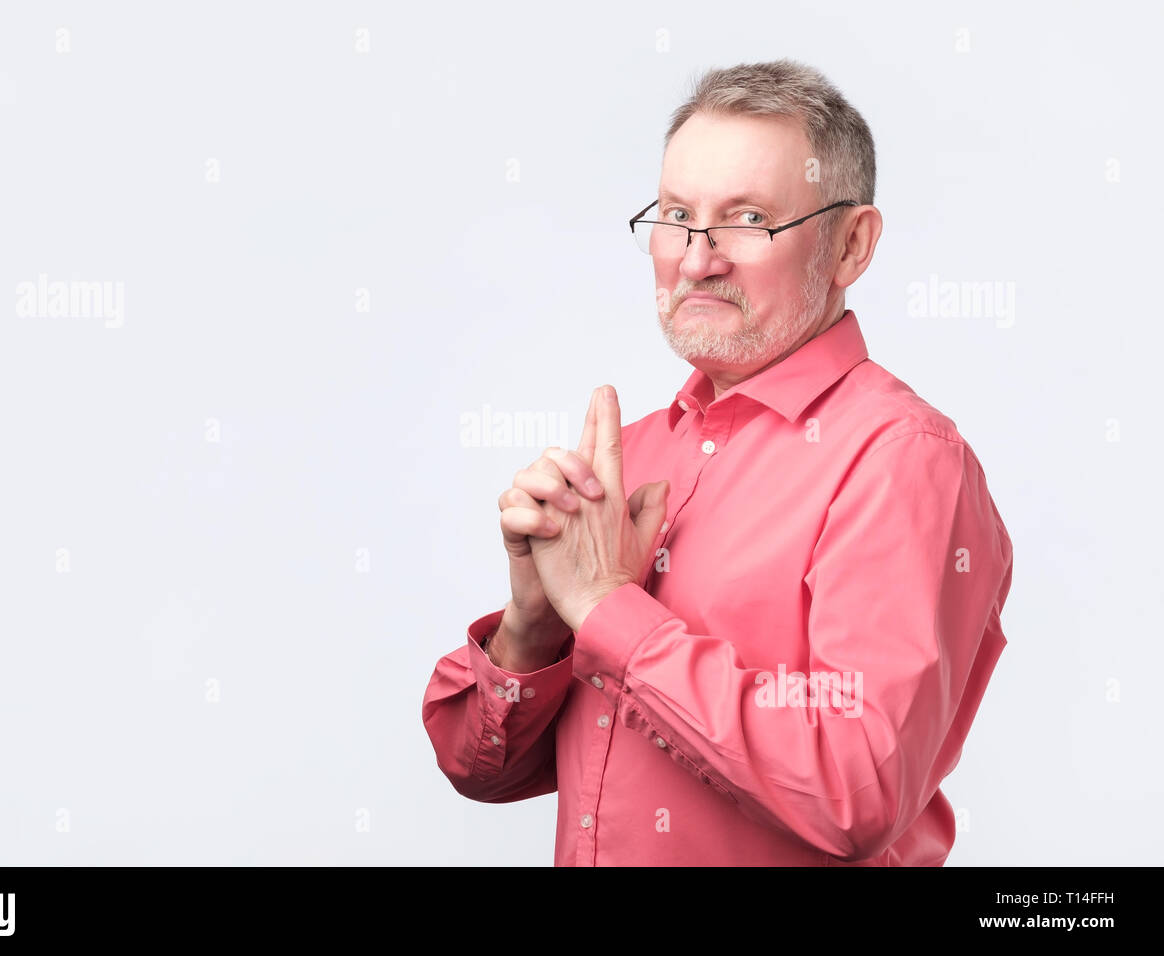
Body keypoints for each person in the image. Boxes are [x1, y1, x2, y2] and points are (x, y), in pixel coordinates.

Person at [421, 59, 1013, 866]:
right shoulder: (629, 455)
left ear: (851, 244)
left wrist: (610, 611)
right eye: (675, 215)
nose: (697, 259)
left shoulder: (900, 462)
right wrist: (535, 630)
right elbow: (477, 771)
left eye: (747, 218)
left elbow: (856, 793)